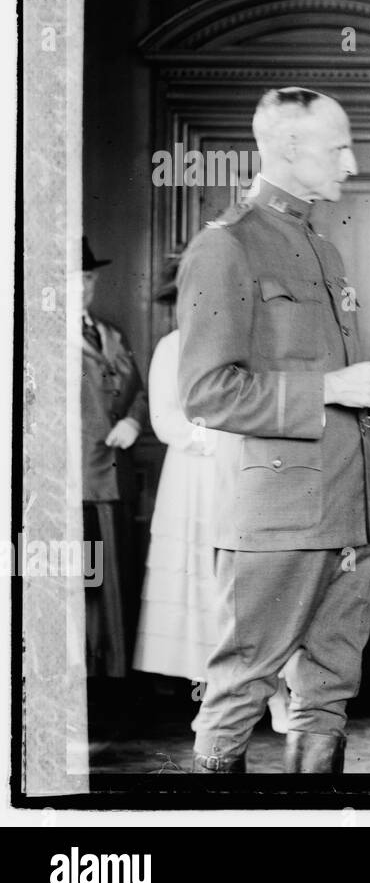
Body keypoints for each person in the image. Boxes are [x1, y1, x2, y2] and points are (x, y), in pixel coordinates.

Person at [178, 87, 370, 774]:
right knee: (240, 688)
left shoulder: (322, 249)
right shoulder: (226, 247)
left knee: (329, 690)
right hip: (275, 518)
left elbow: (317, 380)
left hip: (350, 509)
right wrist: (332, 389)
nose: (353, 159)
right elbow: (204, 393)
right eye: (338, 145)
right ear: (286, 147)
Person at [133, 257, 291, 732]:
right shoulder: (171, 347)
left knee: (257, 583)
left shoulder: (247, 343)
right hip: (196, 479)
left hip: (250, 475)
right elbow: (166, 420)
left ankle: (277, 696)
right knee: (203, 578)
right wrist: (218, 440)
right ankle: (214, 700)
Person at [81, 237, 148, 681]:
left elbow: (139, 391)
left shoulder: (111, 335)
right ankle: (82, 686)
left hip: (117, 479)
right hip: (76, 484)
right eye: (71, 279)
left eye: (87, 278)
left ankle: (114, 688)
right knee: (84, 589)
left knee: (116, 584)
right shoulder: (37, 336)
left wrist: (134, 422)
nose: (82, 287)